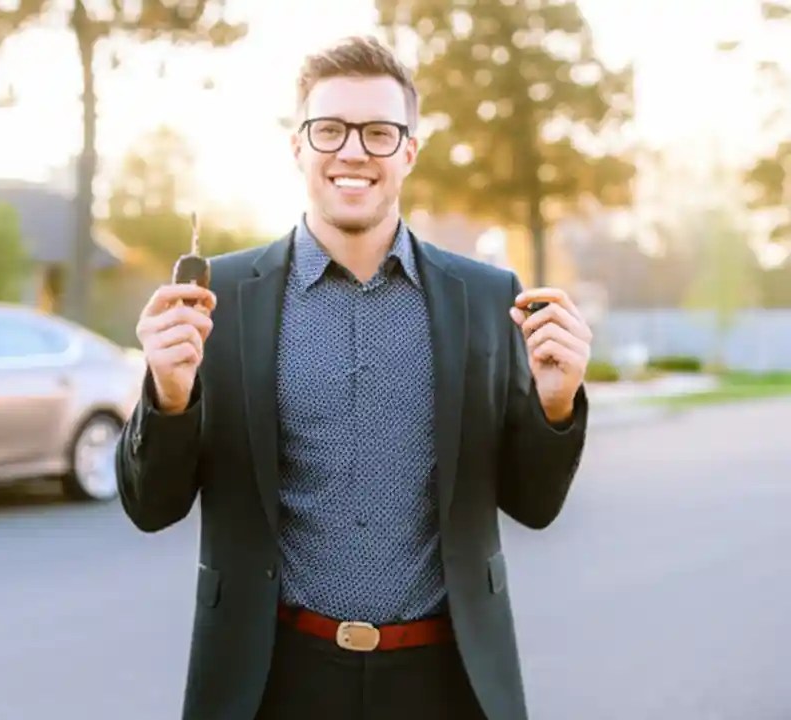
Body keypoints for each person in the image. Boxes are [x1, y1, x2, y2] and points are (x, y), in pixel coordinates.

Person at [115, 34, 592, 720]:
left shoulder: (487, 299)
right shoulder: (220, 300)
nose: (353, 151)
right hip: (272, 678)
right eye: (330, 129)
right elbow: (151, 506)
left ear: (409, 150)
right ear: (298, 146)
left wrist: (555, 403)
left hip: (445, 678)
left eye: (378, 132)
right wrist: (167, 392)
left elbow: (534, 505)